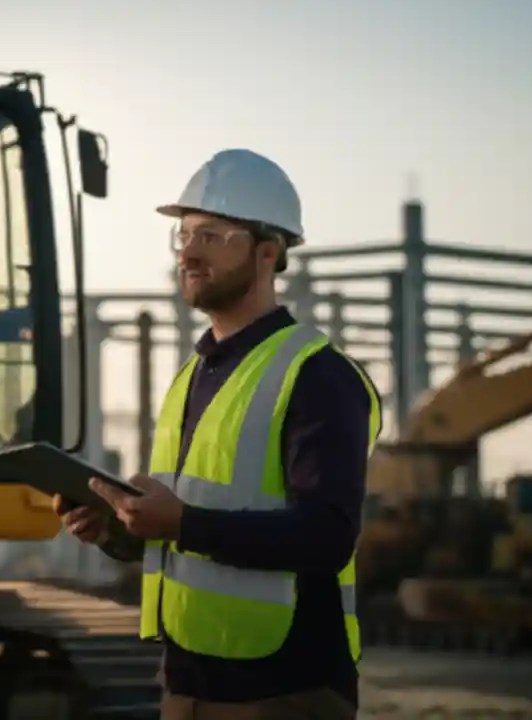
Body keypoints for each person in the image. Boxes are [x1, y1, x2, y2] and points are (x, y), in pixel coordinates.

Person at [53, 149, 381, 719]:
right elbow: (190, 528)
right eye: (183, 233)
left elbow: (327, 537)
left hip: (283, 689)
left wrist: (180, 522)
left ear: (268, 252)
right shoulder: (194, 375)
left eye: (212, 233)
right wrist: (118, 528)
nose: (189, 250)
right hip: (189, 683)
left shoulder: (317, 374)